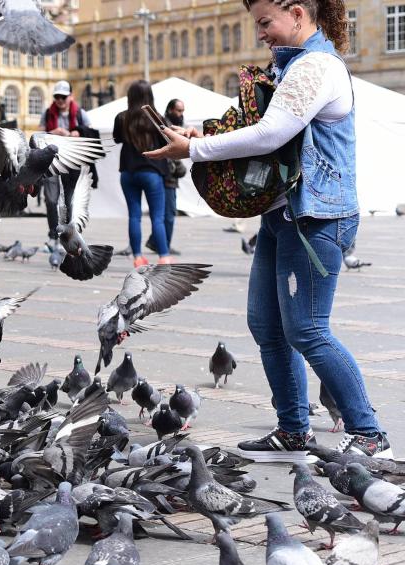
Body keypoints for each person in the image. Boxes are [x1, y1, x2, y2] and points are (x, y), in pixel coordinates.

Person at [146, 0, 390, 459]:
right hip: (283, 216)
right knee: (267, 326)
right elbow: (260, 131)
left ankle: (370, 434)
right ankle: (294, 428)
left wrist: (194, 152)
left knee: (308, 330)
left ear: (296, 13)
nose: (260, 33)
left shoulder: (317, 66)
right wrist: (202, 135)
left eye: (265, 22)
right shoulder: (291, 68)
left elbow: (272, 133)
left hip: (317, 218)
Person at [114, 80, 170, 267]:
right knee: (157, 217)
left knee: (134, 215)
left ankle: (138, 257)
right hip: (152, 171)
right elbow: (167, 143)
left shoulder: (121, 118)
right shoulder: (157, 118)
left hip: (128, 173)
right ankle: (163, 256)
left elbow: (117, 138)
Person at [41, 80, 91, 240]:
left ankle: (69, 234)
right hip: (52, 161)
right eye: (57, 97)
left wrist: (77, 133)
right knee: (50, 199)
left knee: (69, 200)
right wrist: (53, 132)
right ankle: (53, 234)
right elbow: (38, 137)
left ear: (71, 96)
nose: (60, 100)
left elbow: (90, 133)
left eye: (63, 97)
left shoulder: (80, 113)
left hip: (71, 160)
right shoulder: (48, 113)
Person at [152, 98, 187, 255]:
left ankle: (157, 242)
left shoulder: (175, 126)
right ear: (170, 109)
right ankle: (163, 245)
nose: (180, 114)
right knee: (169, 213)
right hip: (167, 174)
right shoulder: (165, 127)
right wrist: (179, 167)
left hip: (169, 174)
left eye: (182, 111)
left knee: (166, 213)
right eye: (178, 110)